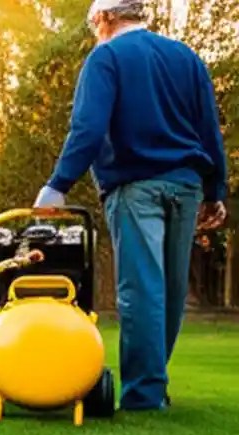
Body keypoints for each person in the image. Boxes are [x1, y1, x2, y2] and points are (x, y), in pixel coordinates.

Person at [34, 0, 228, 411]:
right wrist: (216, 191)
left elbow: (88, 127)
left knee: (142, 291)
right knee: (172, 290)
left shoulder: (106, 57)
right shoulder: (187, 58)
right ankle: (153, 385)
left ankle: (143, 395)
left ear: (105, 19)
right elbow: (209, 128)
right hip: (187, 186)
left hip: (136, 185)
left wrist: (57, 184)